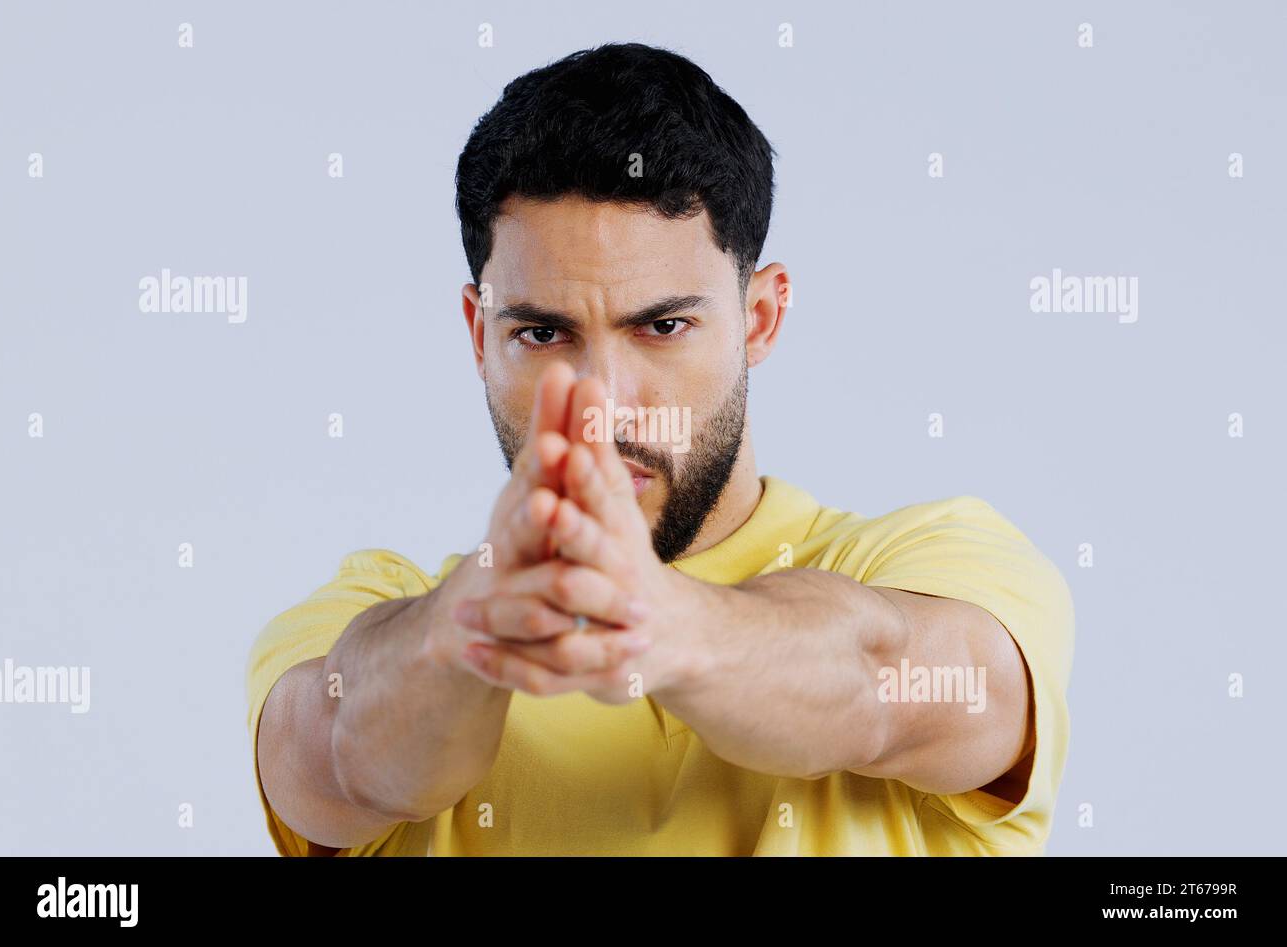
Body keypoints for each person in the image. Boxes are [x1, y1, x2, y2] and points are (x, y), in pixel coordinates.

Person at [245, 42, 1073, 856]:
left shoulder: (940, 559)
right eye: (541, 332)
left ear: (760, 319)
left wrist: (649, 616)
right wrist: (475, 624)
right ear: (478, 334)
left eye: (663, 325)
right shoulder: (380, 608)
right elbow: (338, 751)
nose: (601, 400)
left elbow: (883, 679)